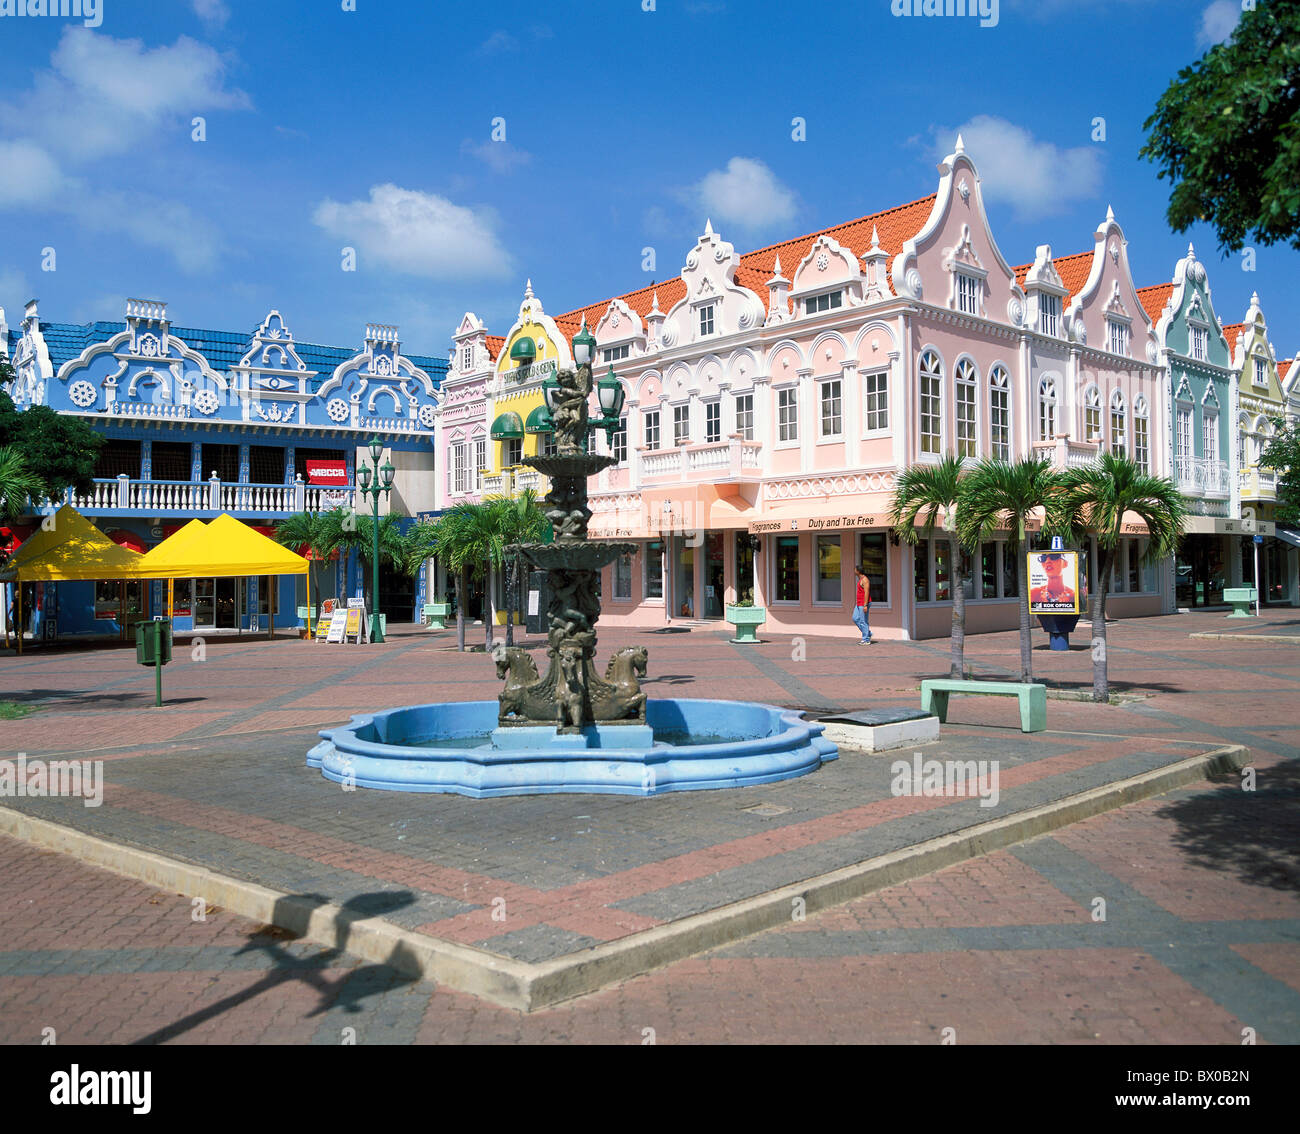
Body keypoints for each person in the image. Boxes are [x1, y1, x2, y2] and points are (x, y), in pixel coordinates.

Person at [852, 564, 872, 644]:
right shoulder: (860, 579)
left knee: (863, 621)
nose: (854, 571)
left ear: (858, 571)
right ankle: (868, 633)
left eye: (855, 569)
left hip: (863, 604)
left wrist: (865, 605)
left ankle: (866, 640)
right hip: (858, 603)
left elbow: (867, 592)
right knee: (855, 618)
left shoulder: (865, 580)